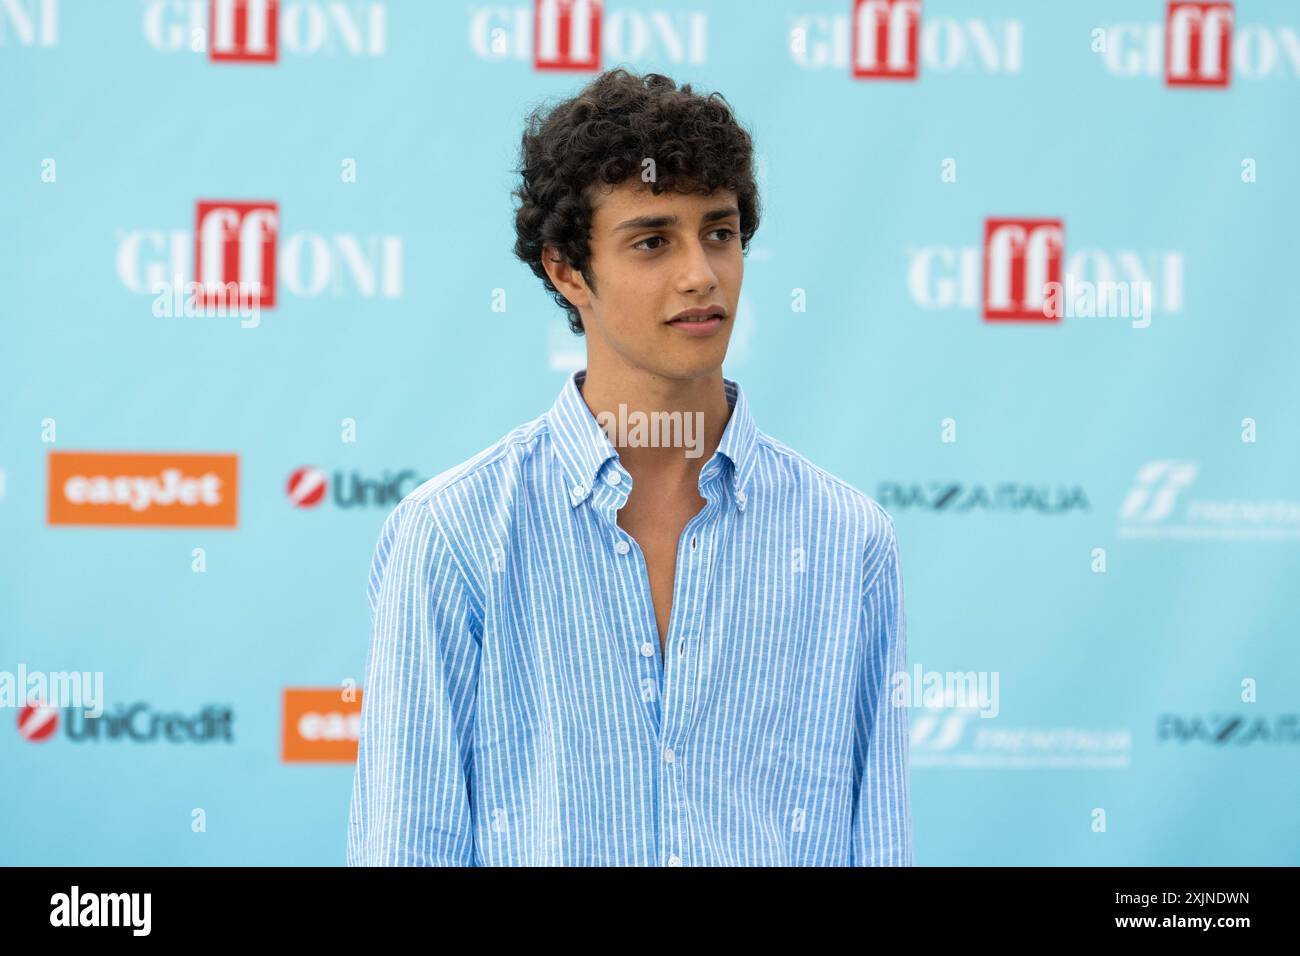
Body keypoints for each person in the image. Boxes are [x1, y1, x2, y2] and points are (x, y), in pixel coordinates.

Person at [347, 67, 911, 866]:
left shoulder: (846, 538)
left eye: (719, 232)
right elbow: (408, 845)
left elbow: (878, 842)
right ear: (567, 271)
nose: (700, 274)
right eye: (653, 241)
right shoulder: (453, 535)